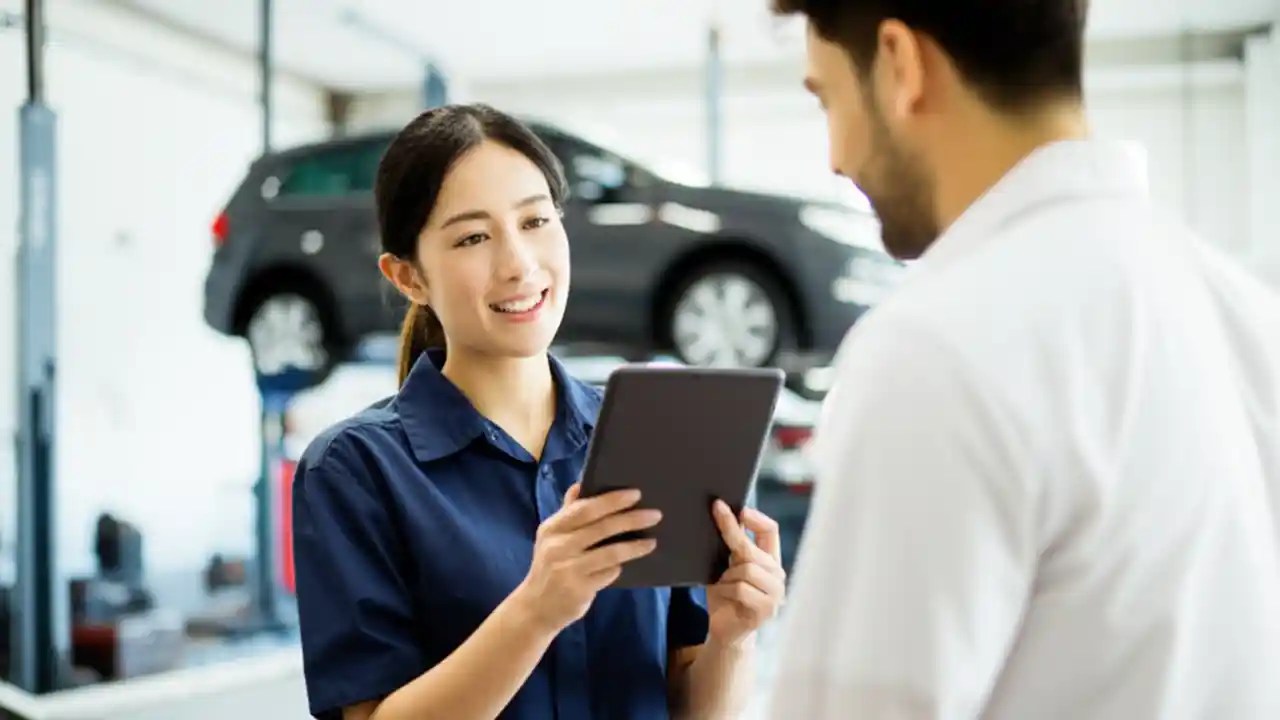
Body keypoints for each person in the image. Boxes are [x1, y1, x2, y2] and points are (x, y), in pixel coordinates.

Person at [765, 1, 1280, 718]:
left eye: (828, 100)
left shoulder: (934, 346)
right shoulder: (1243, 311)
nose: (836, 158)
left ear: (900, 63)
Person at [290, 103, 787, 720]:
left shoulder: (652, 435)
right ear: (408, 277)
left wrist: (733, 638)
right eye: (474, 237)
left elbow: (689, 701)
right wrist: (537, 610)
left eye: (535, 221)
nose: (519, 265)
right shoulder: (354, 470)